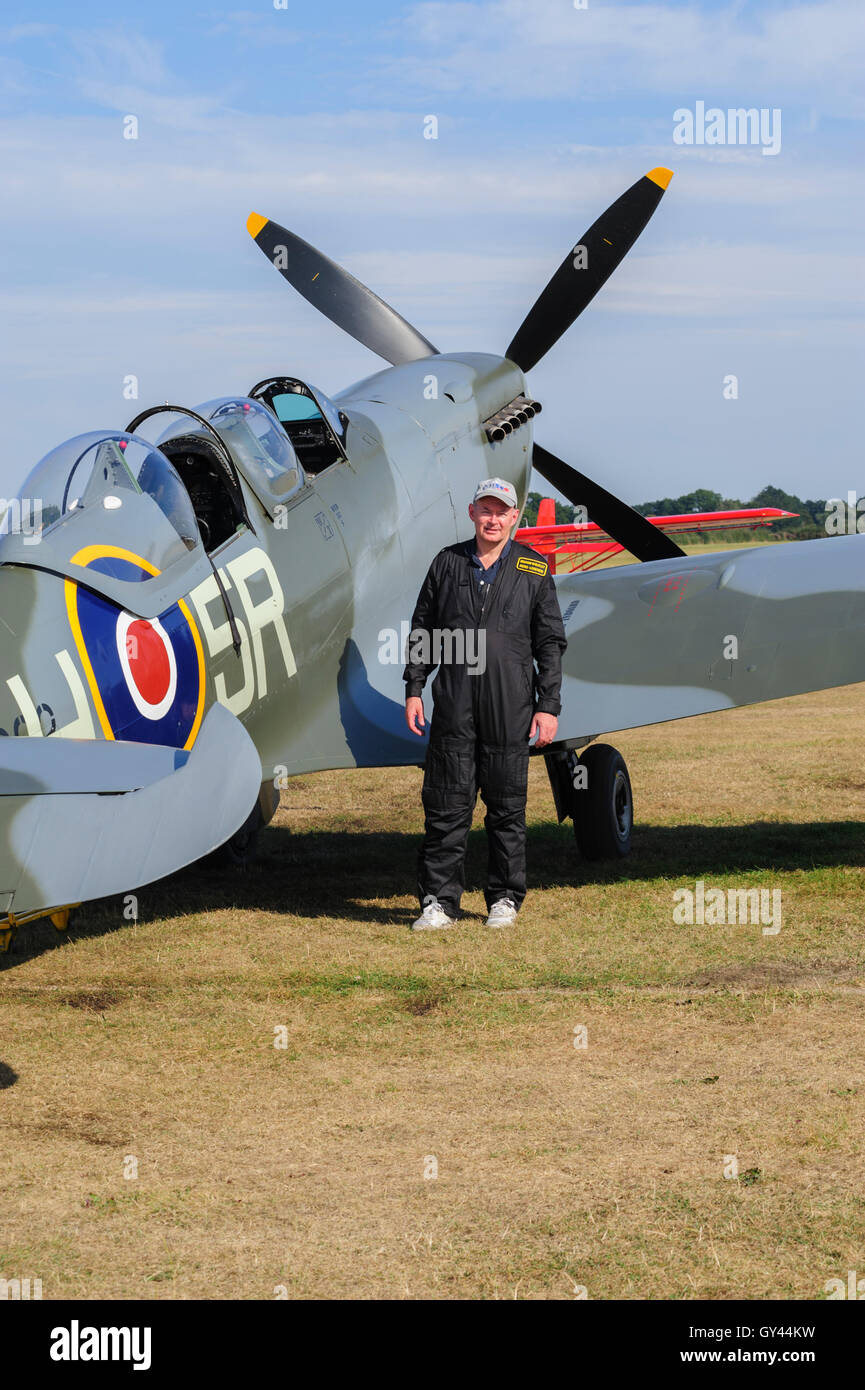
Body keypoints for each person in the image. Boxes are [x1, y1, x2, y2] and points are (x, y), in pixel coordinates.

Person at [404, 478, 566, 930]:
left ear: (515, 517)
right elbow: (423, 631)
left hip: (510, 704)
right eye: (486, 510)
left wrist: (547, 705)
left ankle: (504, 898)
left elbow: (550, 642)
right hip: (455, 703)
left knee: (507, 806)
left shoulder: (533, 569)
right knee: (446, 806)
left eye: (502, 511)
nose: (493, 519)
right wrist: (414, 688)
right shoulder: (446, 563)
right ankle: (438, 902)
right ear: (472, 512)